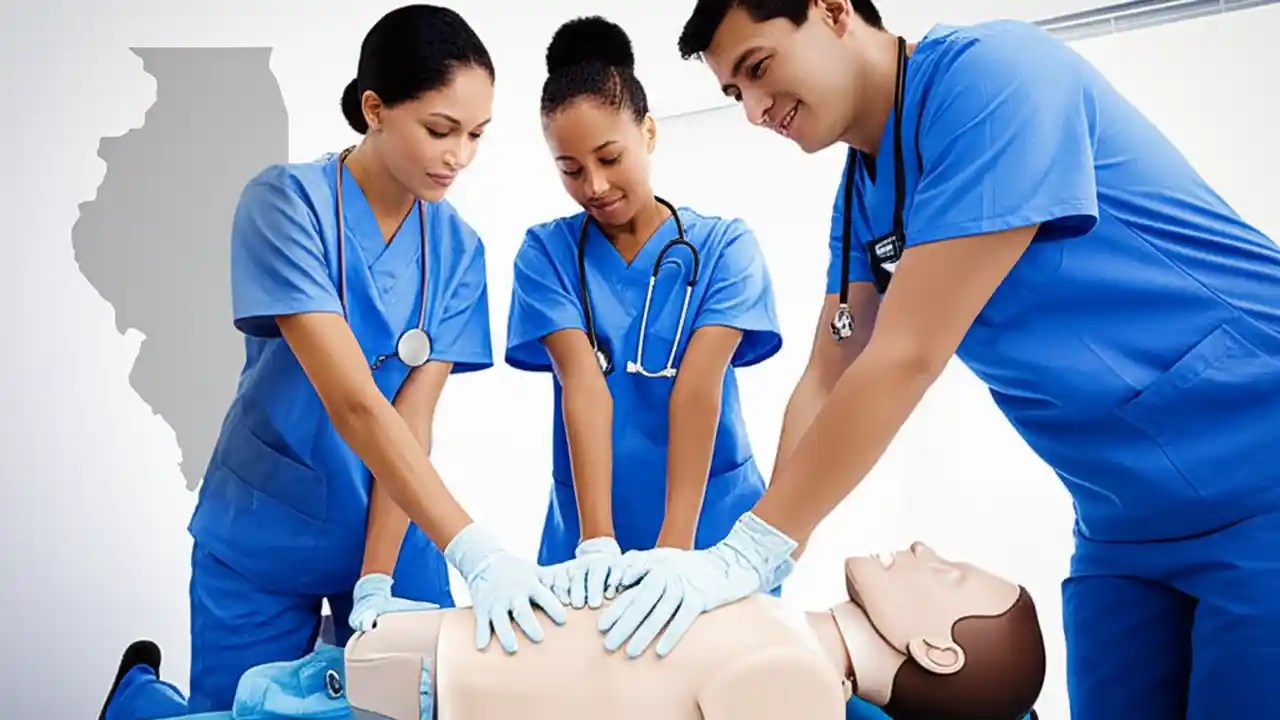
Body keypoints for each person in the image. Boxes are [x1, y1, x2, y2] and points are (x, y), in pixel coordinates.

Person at [598, 2, 1280, 718]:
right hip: (1123, 519)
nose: (756, 110)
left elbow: (906, 354)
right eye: (736, 94)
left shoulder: (997, 77)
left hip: (1260, 466)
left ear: (833, 11)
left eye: (759, 69)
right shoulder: (865, 189)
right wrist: (759, 576)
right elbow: (829, 374)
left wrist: (748, 551)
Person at [181, 5, 564, 713]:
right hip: (267, 527)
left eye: (476, 135)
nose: (460, 156)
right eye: (440, 130)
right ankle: (140, 698)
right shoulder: (284, 205)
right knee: (237, 710)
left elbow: (408, 422)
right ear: (375, 109)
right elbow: (355, 402)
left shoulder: (459, 251)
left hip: (396, 520)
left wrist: (377, 577)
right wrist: (475, 550)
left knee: (418, 704)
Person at [99, 543, 1044, 720]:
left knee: (265, 705)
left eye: (949, 573)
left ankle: (138, 702)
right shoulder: (787, 636)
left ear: (938, 653)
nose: (926, 547)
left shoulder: (798, 681)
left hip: (440, 683)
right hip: (439, 669)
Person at [505, 17, 785, 607]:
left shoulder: (723, 248)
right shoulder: (547, 254)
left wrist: (675, 552)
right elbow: (582, 386)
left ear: (649, 132)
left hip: (712, 531)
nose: (595, 186)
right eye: (571, 170)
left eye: (610, 157)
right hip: (586, 533)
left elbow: (697, 386)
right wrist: (597, 543)